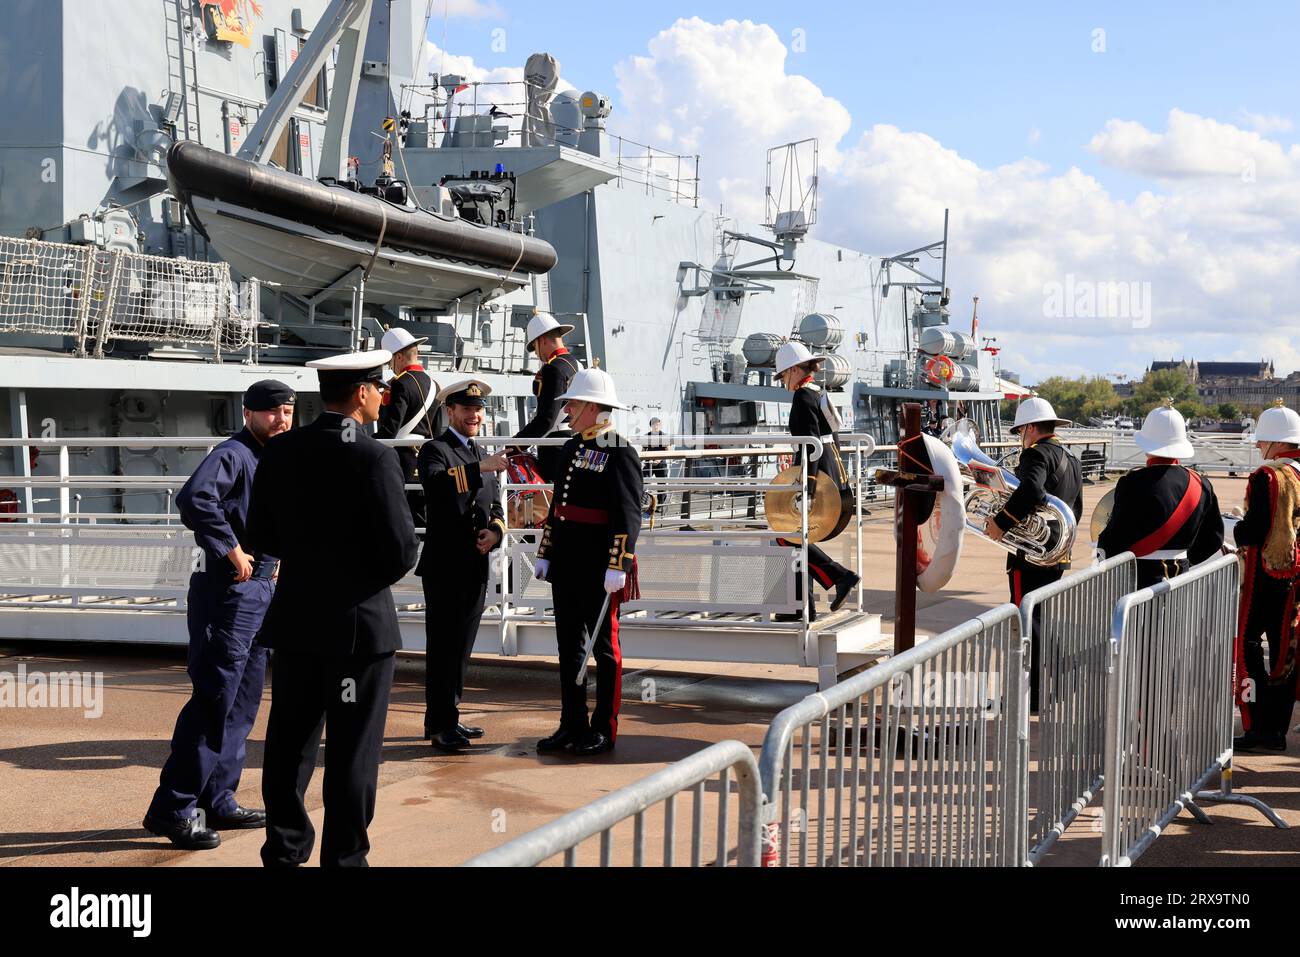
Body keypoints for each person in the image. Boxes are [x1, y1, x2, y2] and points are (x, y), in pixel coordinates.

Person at [248, 350, 419, 867]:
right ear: (364, 393)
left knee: (288, 745)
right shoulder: (373, 456)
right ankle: (344, 859)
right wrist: (352, 583)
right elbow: (401, 551)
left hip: (298, 621)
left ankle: (285, 848)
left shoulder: (280, 452)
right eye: (379, 389)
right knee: (352, 751)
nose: (382, 397)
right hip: (357, 630)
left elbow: (260, 536)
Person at [143, 380, 295, 850]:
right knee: (213, 698)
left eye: (289, 411)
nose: (282, 420)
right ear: (248, 412)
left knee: (243, 702)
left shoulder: (274, 458)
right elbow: (194, 499)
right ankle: (174, 808)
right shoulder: (233, 453)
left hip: (262, 589)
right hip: (229, 591)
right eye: (272, 412)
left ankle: (219, 798)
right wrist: (232, 550)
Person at [532, 366, 642, 756]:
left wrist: (620, 564)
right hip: (566, 563)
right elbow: (558, 509)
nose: (567, 410)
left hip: (599, 564)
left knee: (605, 650)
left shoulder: (619, 450)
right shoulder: (570, 446)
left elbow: (628, 513)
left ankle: (604, 728)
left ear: (593, 407)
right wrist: (545, 553)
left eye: (574, 403)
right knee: (568, 648)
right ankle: (572, 723)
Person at [416, 379, 509, 753]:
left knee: (462, 647)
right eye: (467, 409)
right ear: (450, 411)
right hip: (445, 566)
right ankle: (439, 725)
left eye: (479, 409)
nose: (475, 415)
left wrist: (495, 533)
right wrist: (479, 466)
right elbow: (436, 486)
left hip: (475, 564)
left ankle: (449, 717)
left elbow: (496, 504)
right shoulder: (435, 450)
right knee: (443, 647)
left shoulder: (481, 453)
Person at [986, 396, 1083, 710]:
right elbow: (1075, 510)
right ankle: (1055, 682)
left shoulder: (1036, 454)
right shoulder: (1072, 458)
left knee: (1025, 620)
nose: (1020, 438)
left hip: (1030, 554)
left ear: (1029, 428)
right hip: (1055, 552)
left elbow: (1031, 491)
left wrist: (1001, 522)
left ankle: (1029, 696)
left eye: (1019, 432)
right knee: (1041, 620)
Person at [773, 341, 860, 621]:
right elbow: (830, 438)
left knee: (788, 534)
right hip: (833, 474)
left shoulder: (802, 397)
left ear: (796, 370)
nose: (783, 381)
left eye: (784, 374)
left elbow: (810, 444)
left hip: (815, 476)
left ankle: (838, 576)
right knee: (796, 534)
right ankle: (801, 605)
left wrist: (807, 486)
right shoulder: (818, 393)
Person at [1233, 401, 1300, 753]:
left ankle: (1260, 724)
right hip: (1296, 574)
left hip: (1268, 574)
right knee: (1285, 651)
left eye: (1262, 441)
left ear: (1275, 442)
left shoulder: (1269, 476)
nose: (1259, 447)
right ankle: (1276, 726)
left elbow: (1255, 529)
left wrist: (1236, 529)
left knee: (1247, 644)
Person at [1098, 400, 1223, 587]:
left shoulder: (1132, 483)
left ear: (1147, 445)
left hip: (1139, 576)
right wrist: (1187, 560)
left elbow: (1115, 537)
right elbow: (1214, 537)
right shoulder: (1201, 484)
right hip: (1182, 575)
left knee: (1140, 617)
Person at [376, 327, 440, 537]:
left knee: (399, 510)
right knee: (422, 510)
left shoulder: (399, 385)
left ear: (399, 356)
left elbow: (389, 430)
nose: (390, 366)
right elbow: (437, 430)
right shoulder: (435, 385)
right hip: (426, 456)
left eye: (390, 361)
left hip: (402, 458)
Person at [515, 311, 582, 479]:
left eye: (534, 347)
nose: (536, 354)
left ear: (542, 339)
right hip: (573, 441)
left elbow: (546, 420)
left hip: (555, 448)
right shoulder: (577, 364)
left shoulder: (553, 368)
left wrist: (513, 445)